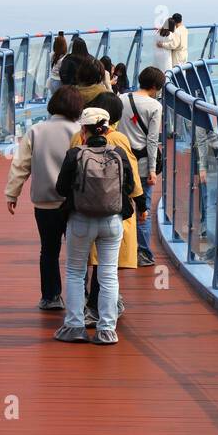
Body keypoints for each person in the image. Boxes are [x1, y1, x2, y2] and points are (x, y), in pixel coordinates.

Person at [54, 107, 136, 345]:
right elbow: (129, 187)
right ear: (108, 128)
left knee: (75, 273)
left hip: (80, 220)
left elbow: (61, 188)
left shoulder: (75, 155)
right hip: (112, 221)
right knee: (108, 274)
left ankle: (75, 326)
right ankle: (107, 330)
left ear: (84, 131)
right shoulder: (119, 153)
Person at [4, 86, 84, 309]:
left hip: (45, 201)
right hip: (75, 202)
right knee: (79, 252)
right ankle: (81, 297)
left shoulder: (36, 131)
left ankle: (51, 296)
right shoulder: (79, 130)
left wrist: (13, 192)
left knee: (49, 249)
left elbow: (20, 164)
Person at [77, 92, 145, 325]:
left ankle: (86, 308)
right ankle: (101, 309)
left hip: (84, 209)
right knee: (108, 265)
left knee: (84, 265)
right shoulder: (119, 139)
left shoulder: (80, 138)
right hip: (113, 208)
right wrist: (142, 205)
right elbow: (133, 178)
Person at [119, 66, 165, 267]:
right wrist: (153, 171)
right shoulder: (155, 106)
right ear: (155, 86)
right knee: (143, 208)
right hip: (144, 164)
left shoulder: (121, 99)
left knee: (120, 206)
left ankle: (120, 250)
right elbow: (152, 140)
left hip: (122, 162)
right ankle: (143, 253)